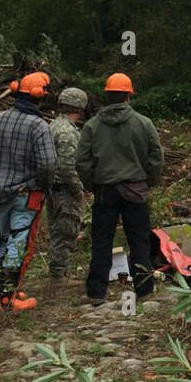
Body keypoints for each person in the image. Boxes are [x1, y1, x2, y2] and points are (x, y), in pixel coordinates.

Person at [75, 73, 164, 304]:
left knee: (101, 241)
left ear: (106, 96)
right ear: (128, 96)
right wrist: (148, 181)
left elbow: (82, 162)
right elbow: (156, 158)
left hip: (105, 191)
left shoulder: (92, 126)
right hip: (135, 190)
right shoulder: (144, 123)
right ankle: (144, 291)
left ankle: (96, 293)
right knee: (139, 240)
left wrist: (92, 185)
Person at [0, 72, 55, 312]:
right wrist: (42, 185)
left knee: (3, 240)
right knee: (18, 243)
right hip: (24, 193)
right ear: (40, 97)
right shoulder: (39, 125)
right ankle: (7, 300)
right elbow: (49, 164)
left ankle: (7, 288)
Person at [46, 86, 88, 279]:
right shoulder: (68, 133)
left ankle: (57, 271)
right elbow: (66, 167)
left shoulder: (52, 126)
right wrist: (78, 190)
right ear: (79, 108)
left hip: (53, 188)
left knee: (57, 230)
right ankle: (59, 275)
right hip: (65, 190)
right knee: (66, 230)